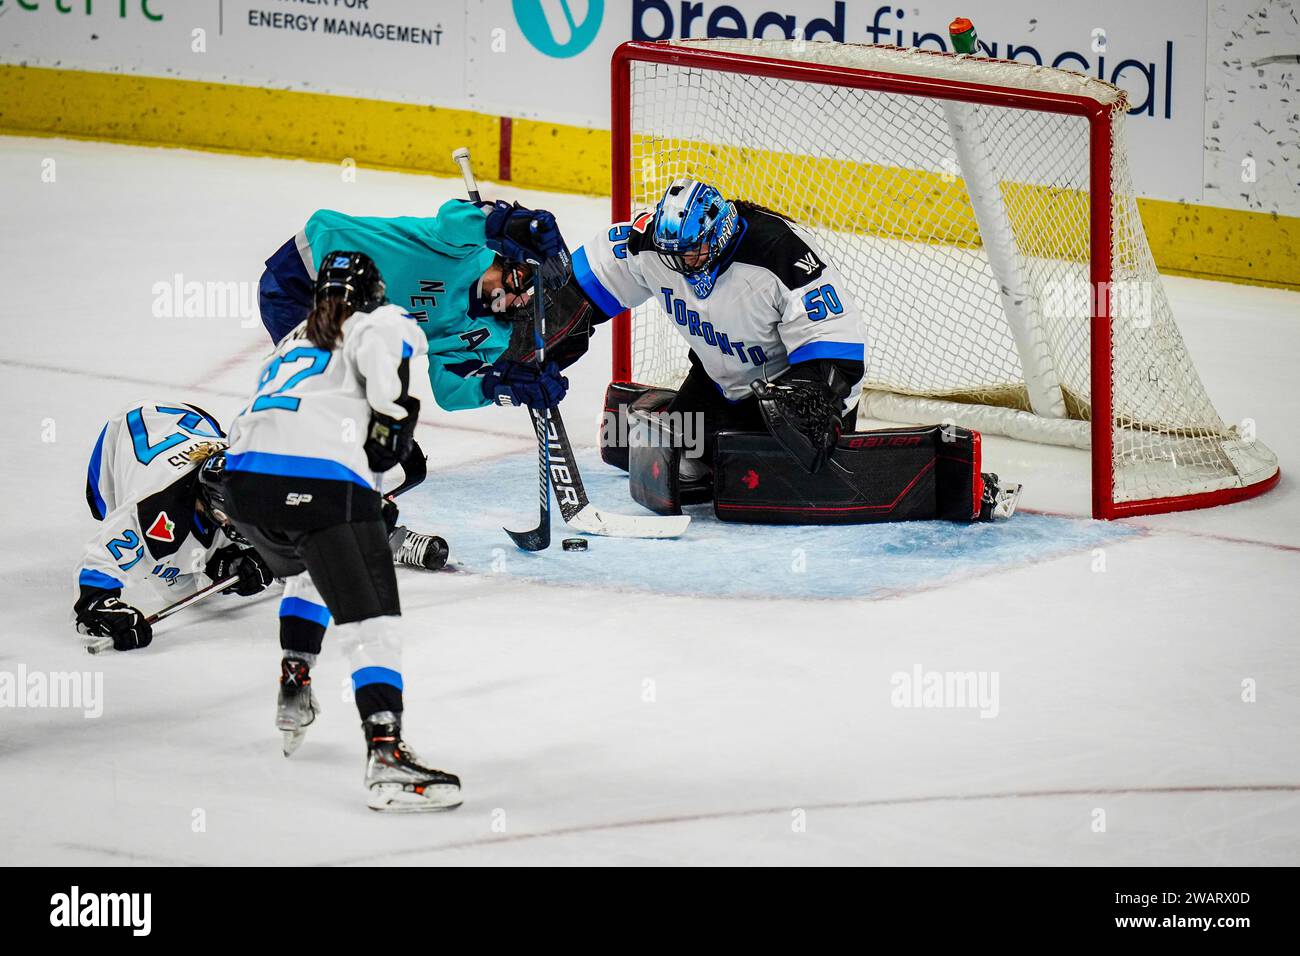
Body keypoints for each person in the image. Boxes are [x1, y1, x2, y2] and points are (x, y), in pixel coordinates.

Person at [575, 177, 1020, 522]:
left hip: (794, 393)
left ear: (722, 231)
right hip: (721, 383)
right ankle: (706, 437)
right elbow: (579, 287)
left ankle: (948, 479)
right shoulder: (653, 245)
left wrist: (809, 399)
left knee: (779, 480)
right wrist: (539, 322)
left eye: (693, 252)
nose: (682, 264)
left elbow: (837, 348)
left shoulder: (779, 256)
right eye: (675, 254)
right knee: (681, 463)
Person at [220, 249, 460, 811]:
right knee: (373, 622)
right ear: (374, 292)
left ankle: (294, 684)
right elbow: (387, 406)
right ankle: (386, 757)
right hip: (319, 486)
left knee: (307, 566)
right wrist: (395, 429)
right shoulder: (382, 321)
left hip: (245, 490)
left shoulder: (294, 339)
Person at [258, 199, 572, 413]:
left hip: (349, 325)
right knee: (316, 398)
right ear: (507, 258)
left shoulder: (490, 334)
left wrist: (501, 387)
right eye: (524, 282)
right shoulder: (466, 250)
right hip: (304, 278)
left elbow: (450, 388)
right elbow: (452, 218)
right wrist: (506, 223)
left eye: (531, 297)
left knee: (360, 419)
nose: (521, 300)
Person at [74, 402, 272, 652]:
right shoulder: (155, 511)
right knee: (175, 584)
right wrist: (101, 608)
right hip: (120, 438)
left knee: (189, 566)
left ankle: (210, 551)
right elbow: (96, 565)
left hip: (190, 418)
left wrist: (236, 561)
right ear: (214, 504)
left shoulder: (248, 478)